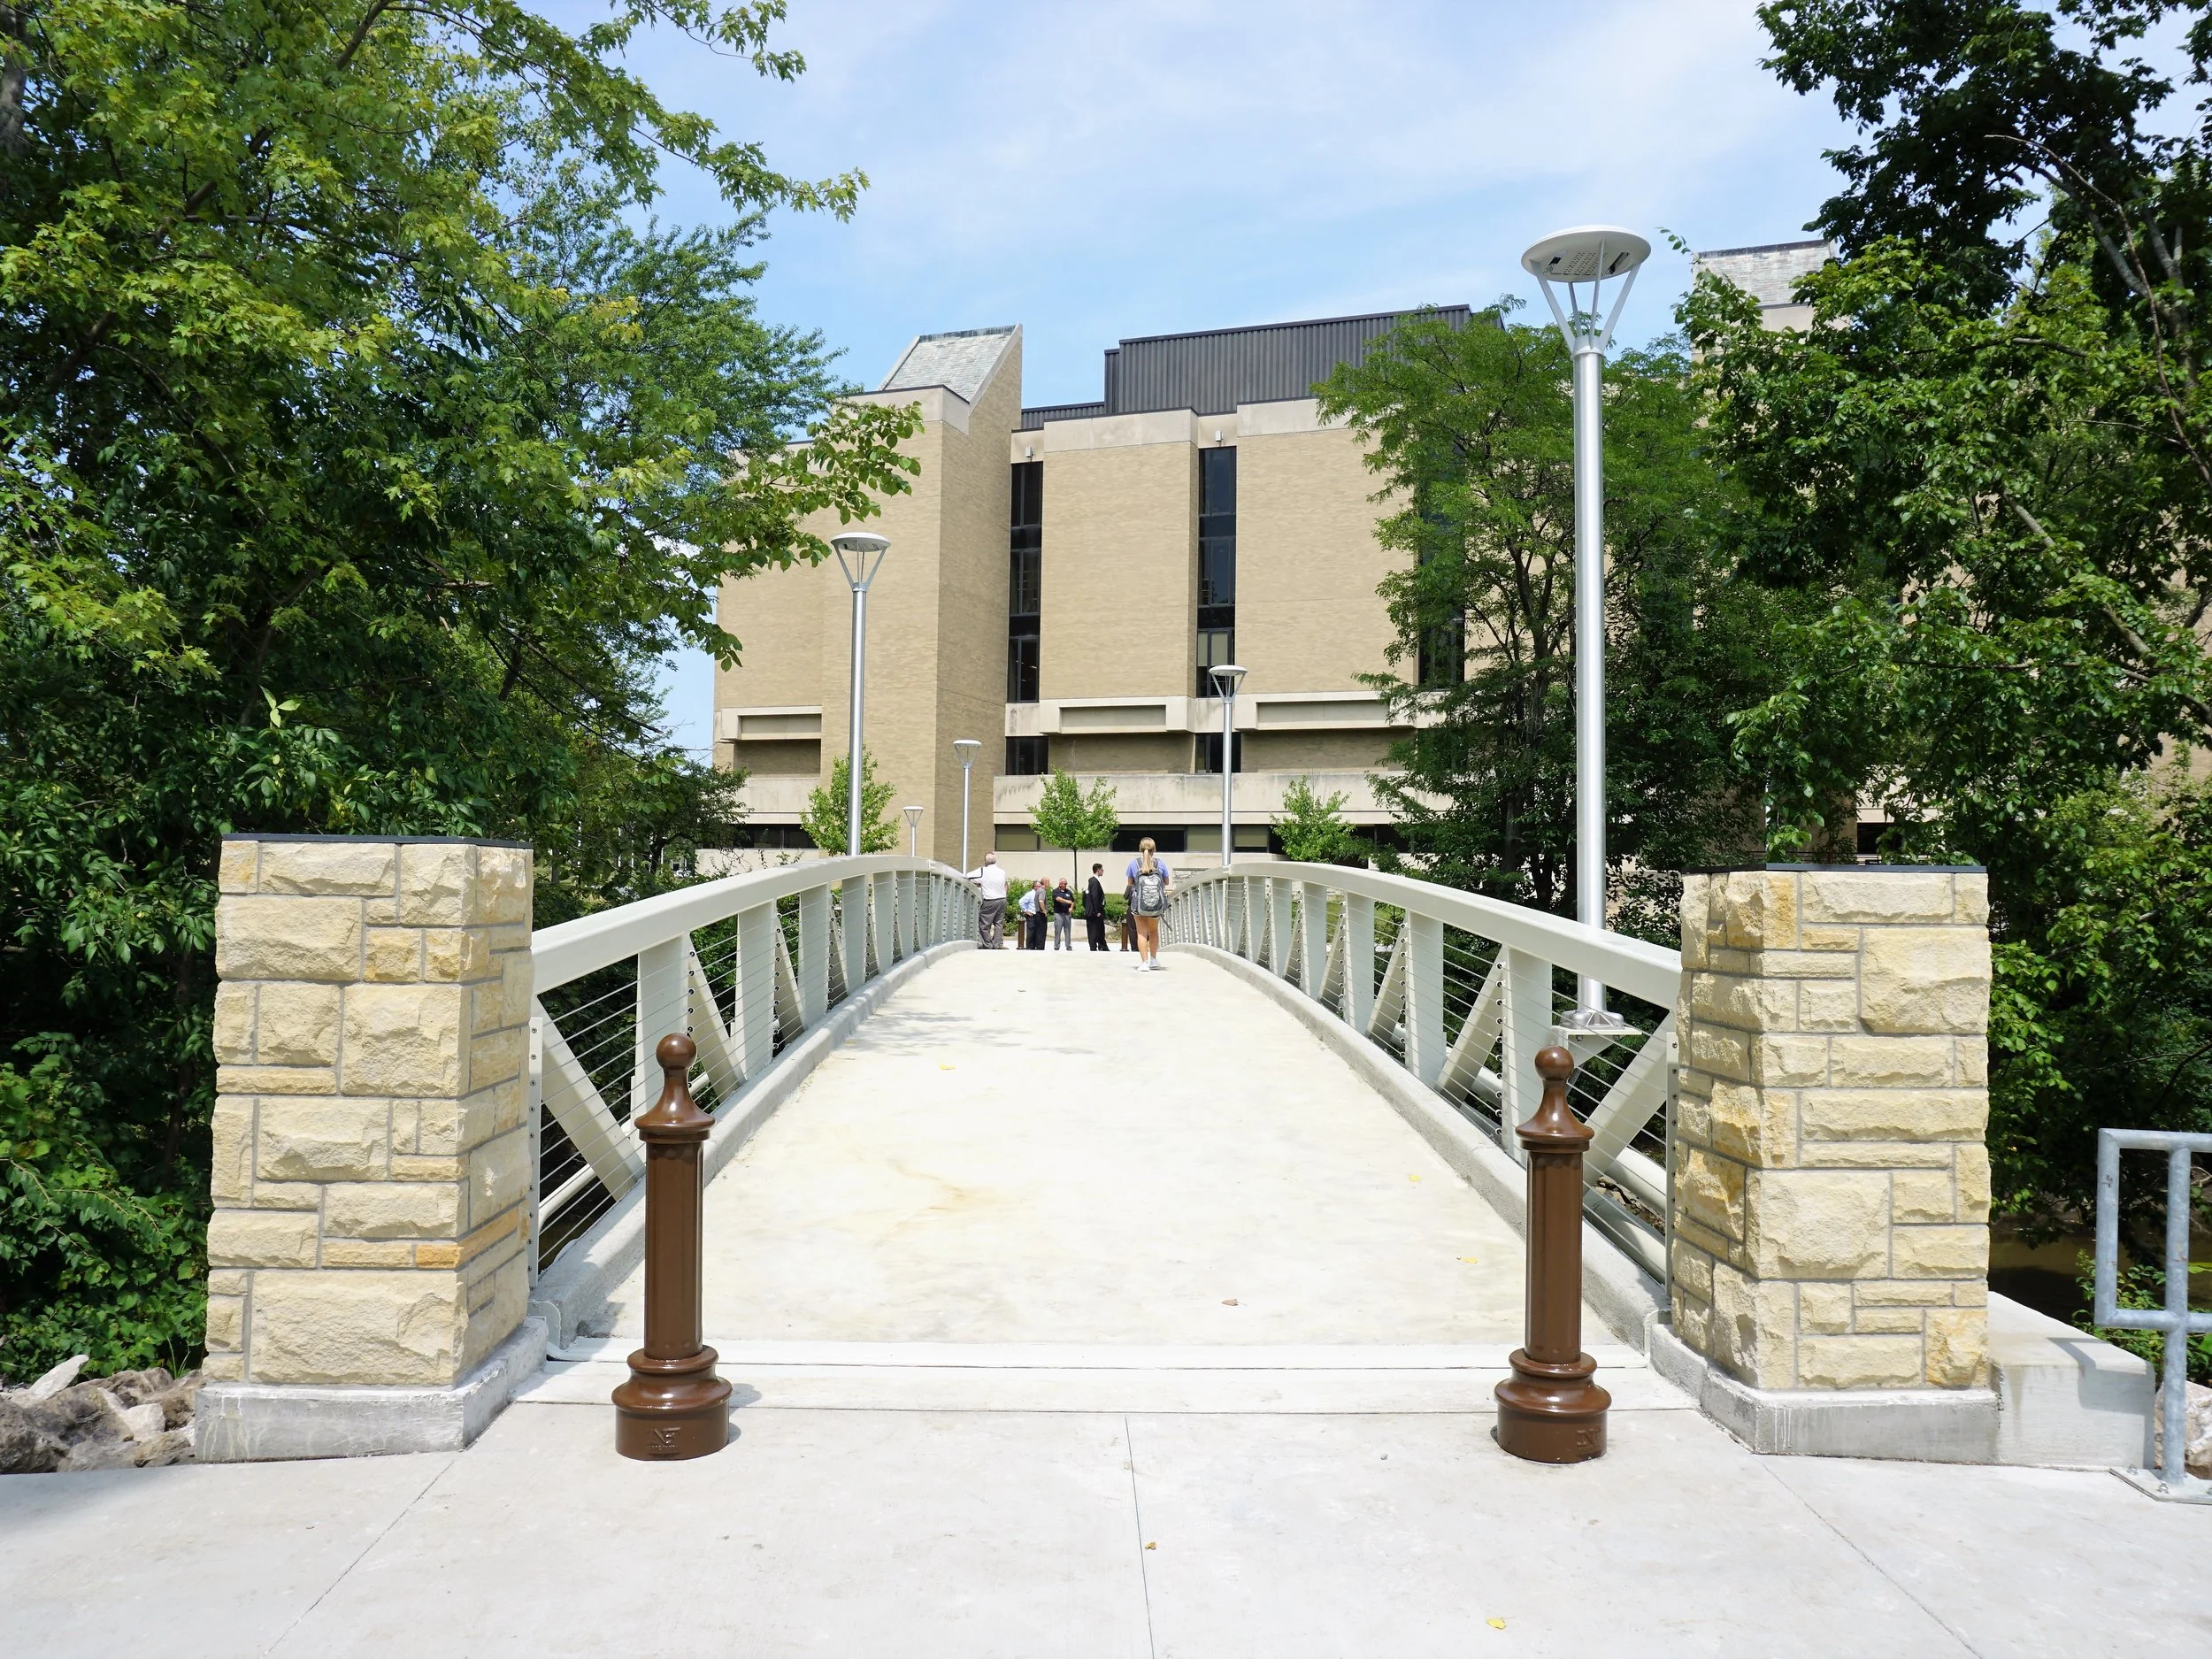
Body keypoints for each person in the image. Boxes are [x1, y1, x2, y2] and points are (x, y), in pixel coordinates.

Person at [1125, 836, 1171, 971]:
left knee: (1142, 932)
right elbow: (1166, 882)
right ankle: (1154, 959)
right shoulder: (1160, 864)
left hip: (1139, 904)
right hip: (1156, 904)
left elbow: (1130, 884)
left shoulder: (1134, 864)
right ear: (1154, 849)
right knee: (1153, 930)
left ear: (1140, 849)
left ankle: (1144, 963)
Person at [968, 853, 1008, 949]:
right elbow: (1005, 884)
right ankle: (997, 944)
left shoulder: (983, 871)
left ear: (985, 861)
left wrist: (980, 883)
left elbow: (968, 876)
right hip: (1002, 899)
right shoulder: (1002, 872)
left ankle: (988, 945)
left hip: (990, 900)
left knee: (984, 925)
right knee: (998, 924)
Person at [1084, 864, 1109, 952]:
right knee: (1094, 930)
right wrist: (1097, 910)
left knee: (1100, 929)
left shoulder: (1095, 881)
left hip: (1096, 911)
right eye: (1102, 870)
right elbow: (1095, 897)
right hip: (1095, 912)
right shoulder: (1094, 881)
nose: (1103, 871)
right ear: (1098, 870)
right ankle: (1094, 947)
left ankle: (1102, 946)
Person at [1017, 879, 1046, 951]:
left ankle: (1038, 946)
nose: (1038, 888)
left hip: (1039, 915)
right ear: (1034, 887)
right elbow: (1021, 901)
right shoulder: (1030, 894)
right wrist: (1026, 910)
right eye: (1036, 886)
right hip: (1032, 915)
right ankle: (1030, 947)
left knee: (1039, 932)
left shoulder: (1041, 893)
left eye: (1039, 886)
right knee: (1031, 932)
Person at [1051, 879, 1074, 949]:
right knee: (1058, 930)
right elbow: (1058, 899)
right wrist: (1067, 901)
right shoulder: (1056, 891)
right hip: (1059, 914)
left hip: (1067, 914)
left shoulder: (1069, 892)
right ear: (1060, 884)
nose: (1066, 885)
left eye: (1066, 883)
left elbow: (1072, 901)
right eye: (1065, 883)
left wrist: (1071, 908)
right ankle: (1057, 945)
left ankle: (1068, 945)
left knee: (1067, 930)